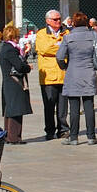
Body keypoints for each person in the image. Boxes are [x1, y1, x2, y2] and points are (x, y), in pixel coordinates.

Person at [57, 11, 97, 145]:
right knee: (89, 106)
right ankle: (91, 136)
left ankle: (74, 137)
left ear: (73, 23)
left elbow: (60, 56)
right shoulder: (93, 36)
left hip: (72, 73)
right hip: (88, 72)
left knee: (73, 108)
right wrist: (96, 61)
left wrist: (65, 66)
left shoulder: (68, 37)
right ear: (86, 23)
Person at [34, 10, 69, 141]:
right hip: (48, 76)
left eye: (59, 19)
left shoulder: (67, 32)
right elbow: (44, 49)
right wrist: (61, 46)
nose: (58, 21)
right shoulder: (41, 34)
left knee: (63, 106)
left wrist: (56, 46)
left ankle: (63, 129)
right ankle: (49, 130)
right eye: (55, 19)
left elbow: (69, 48)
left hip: (64, 74)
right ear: (48, 21)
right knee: (49, 106)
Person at [0, 24, 32, 144]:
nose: (18, 38)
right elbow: (19, 65)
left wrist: (25, 53)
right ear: (13, 37)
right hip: (14, 82)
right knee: (16, 109)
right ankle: (14, 137)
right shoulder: (10, 49)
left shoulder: (6, 48)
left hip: (9, 82)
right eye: (17, 36)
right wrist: (28, 67)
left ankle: (8, 135)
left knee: (10, 108)